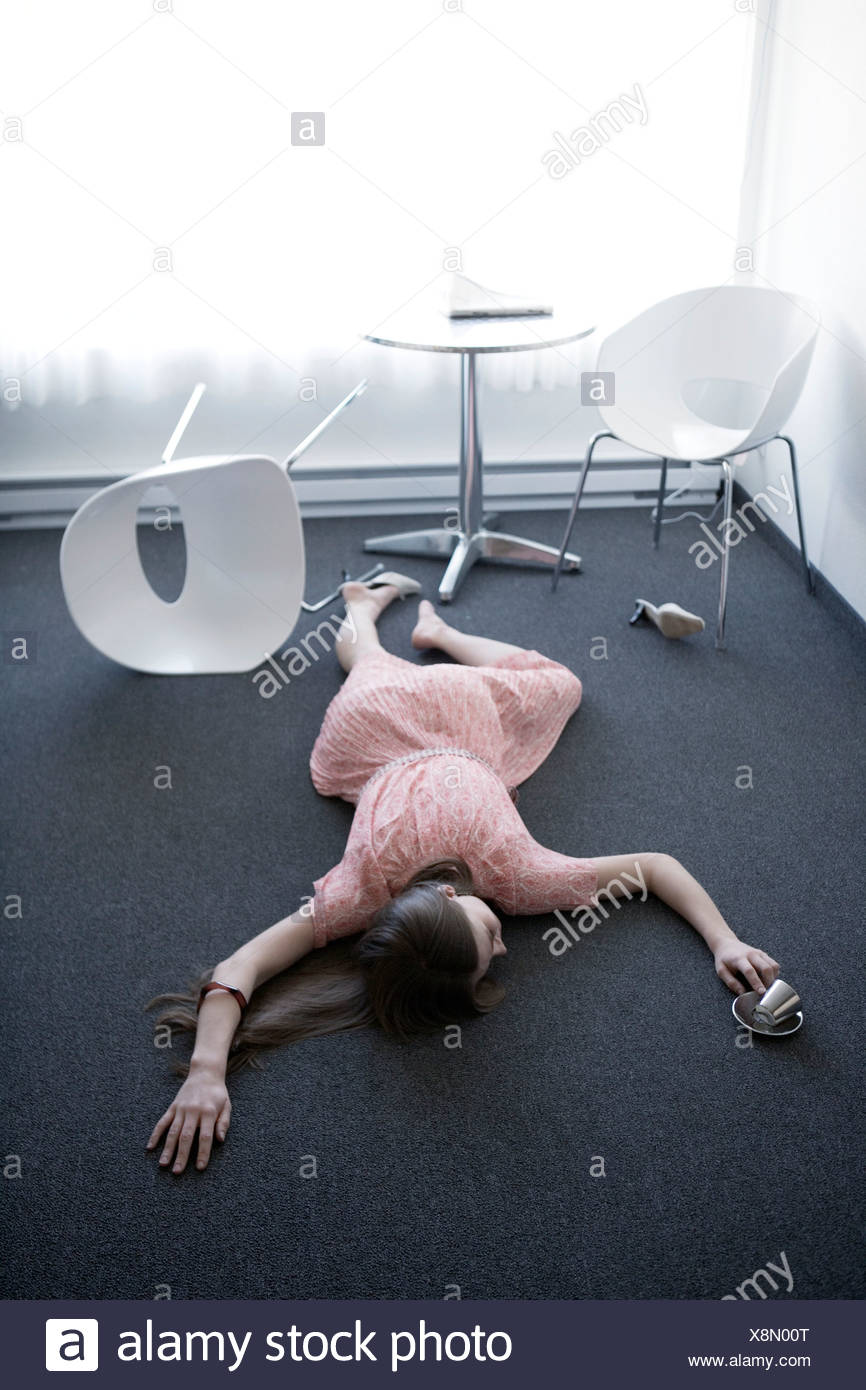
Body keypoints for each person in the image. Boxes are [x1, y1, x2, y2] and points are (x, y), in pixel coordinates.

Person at [147, 576, 780, 1174]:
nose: (507, 942)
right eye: (495, 952)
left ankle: (421, 630)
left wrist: (726, 941)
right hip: (371, 730)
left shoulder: (516, 878)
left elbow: (654, 868)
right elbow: (240, 971)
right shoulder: (359, 896)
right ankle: (392, 620)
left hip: (421, 725)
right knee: (369, 666)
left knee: (559, 683)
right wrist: (205, 1068)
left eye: (488, 940)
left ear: (450, 894)